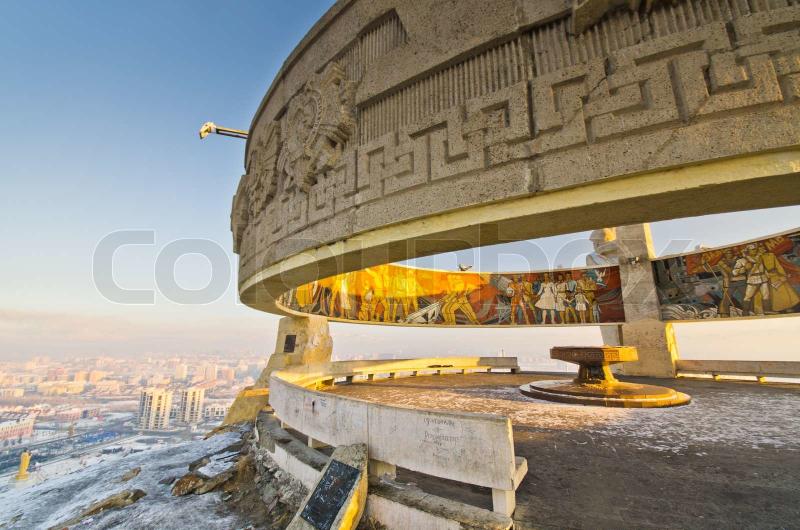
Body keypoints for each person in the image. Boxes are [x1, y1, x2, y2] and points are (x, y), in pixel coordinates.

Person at [759, 243, 800, 312]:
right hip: (768, 278)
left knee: (786, 292)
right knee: (774, 295)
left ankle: (789, 307)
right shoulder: (758, 258)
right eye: (760, 248)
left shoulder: (771, 255)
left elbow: (778, 266)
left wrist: (783, 274)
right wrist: (765, 275)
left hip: (776, 275)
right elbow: (759, 269)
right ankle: (779, 309)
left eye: (762, 247)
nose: (762, 249)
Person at [733, 243, 769, 315]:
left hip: (763, 278)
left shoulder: (760, 257)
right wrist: (744, 268)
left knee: (766, 295)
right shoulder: (742, 260)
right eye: (752, 249)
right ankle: (745, 312)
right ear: (748, 251)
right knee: (748, 297)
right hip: (752, 279)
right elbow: (734, 272)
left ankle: (767, 310)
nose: (754, 251)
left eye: (755, 249)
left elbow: (765, 268)